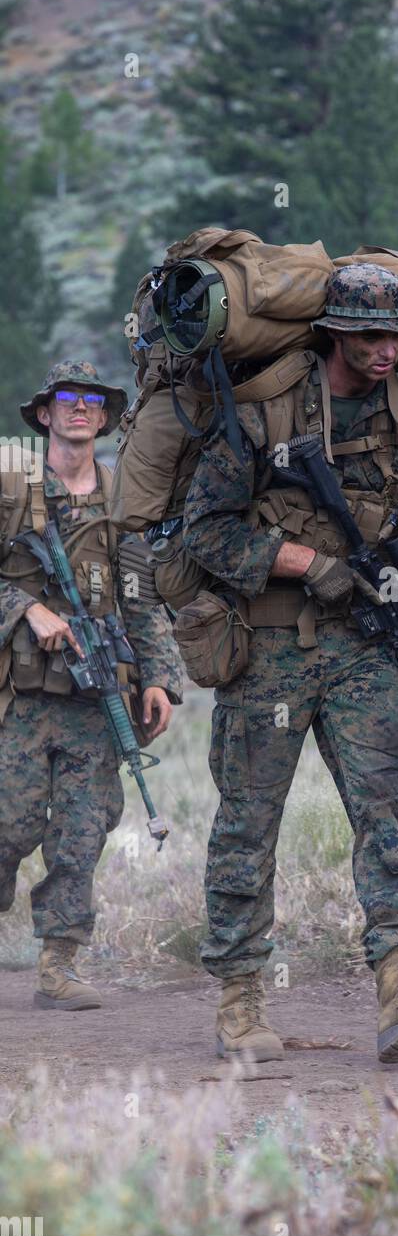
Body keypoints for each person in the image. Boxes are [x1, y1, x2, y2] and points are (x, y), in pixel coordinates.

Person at [182, 264, 398, 1063]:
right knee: (248, 822)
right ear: (335, 333)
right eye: (371, 336)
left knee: (386, 814)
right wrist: (305, 562)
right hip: (270, 647)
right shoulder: (263, 412)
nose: (386, 351)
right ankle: (241, 999)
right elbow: (203, 531)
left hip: (369, 645)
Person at [0, 362, 182, 1009]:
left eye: (92, 402)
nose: (80, 409)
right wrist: (26, 607)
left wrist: (158, 679)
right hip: (19, 701)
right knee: (8, 827)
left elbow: (143, 602)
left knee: (80, 836)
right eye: (66, 400)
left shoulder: (121, 502)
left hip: (93, 702)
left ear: (104, 419)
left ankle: (58, 964)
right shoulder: (13, 488)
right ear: (45, 414)